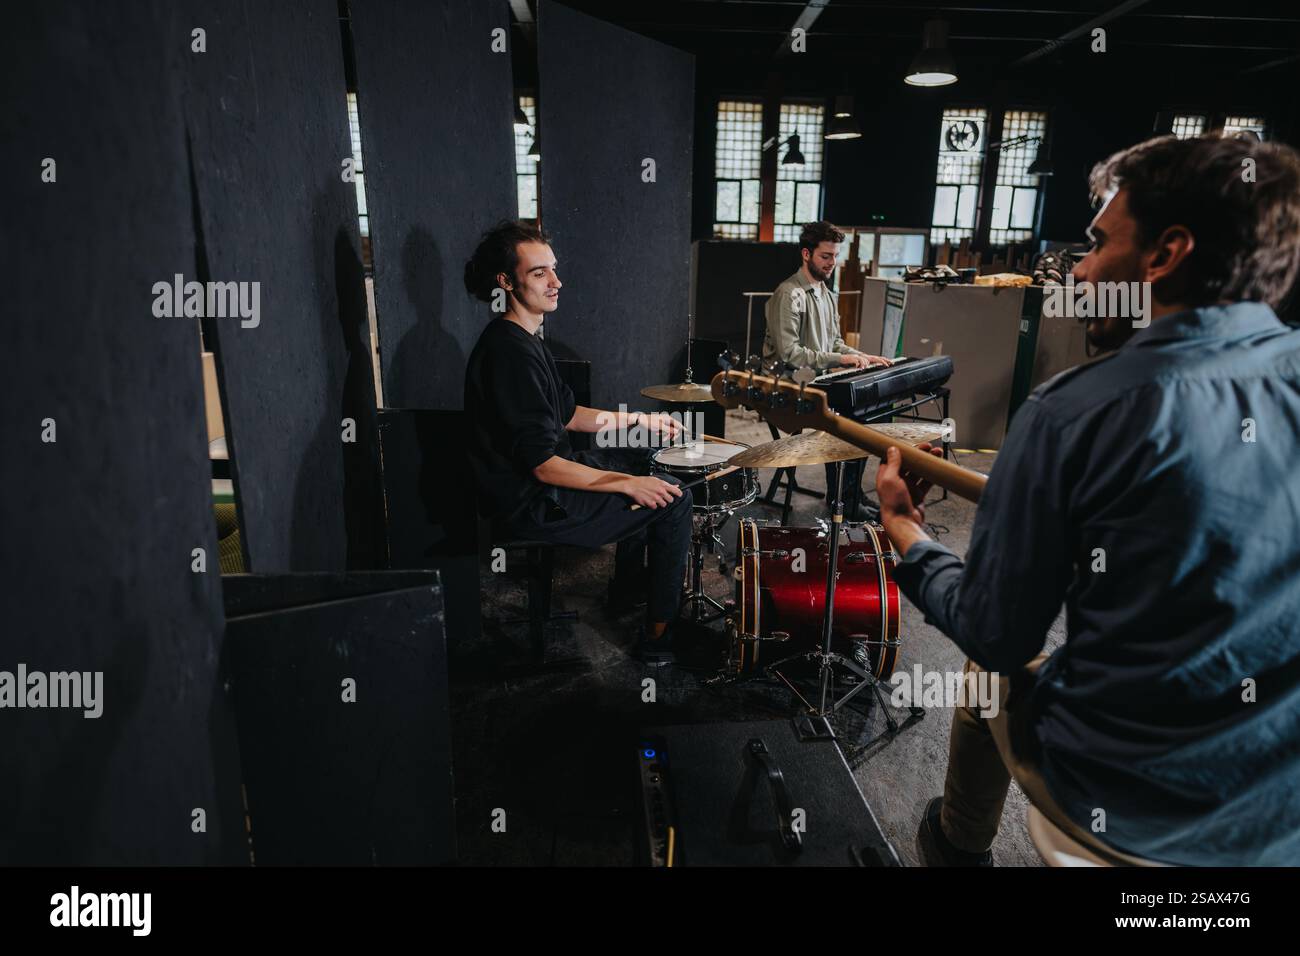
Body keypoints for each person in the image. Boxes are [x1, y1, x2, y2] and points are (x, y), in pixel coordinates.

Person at [875, 133, 1300, 866]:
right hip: (1277, 802)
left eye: (1098, 242)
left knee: (986, 676)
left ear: (1164, 255)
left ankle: (957, 845)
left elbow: (998, 631)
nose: (1079, 268)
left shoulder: (1073, 411)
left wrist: (908, 536)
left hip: (1130, 800)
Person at [463, 220, 693, 664]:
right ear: (505, 281)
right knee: (674, 500)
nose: (556, 282)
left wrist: (640, 422)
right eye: (539, 273)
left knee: (644, 458)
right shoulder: (509, 354)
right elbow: (544, 466)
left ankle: (626, 592)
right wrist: (627, 485)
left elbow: (568, 415)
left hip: (545, 480)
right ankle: (657, 637)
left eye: (554, 269)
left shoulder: (525, 338)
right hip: (532, 501)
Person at [763, 220, 893, 523]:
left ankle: (849, 493)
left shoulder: (826, 294)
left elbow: (835, 343)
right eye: (826, 256)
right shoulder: (789, 294)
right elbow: (790, 354)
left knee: (870, 408)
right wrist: (841, 360)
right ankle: (842, 500)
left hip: (818, 382)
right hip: (789, 388)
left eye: (835, 256)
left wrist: (862, 356)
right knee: (851, 417)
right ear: (806, 254)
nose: (832, 262)